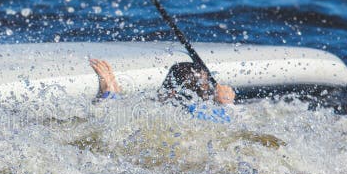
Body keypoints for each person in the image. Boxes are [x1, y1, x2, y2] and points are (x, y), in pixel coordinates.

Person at [89, 58, 236, 122]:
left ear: (170, 92)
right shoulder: (223, 115)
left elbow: (113, 118)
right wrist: (227, 102)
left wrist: (108, 93)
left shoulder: (161, 113)